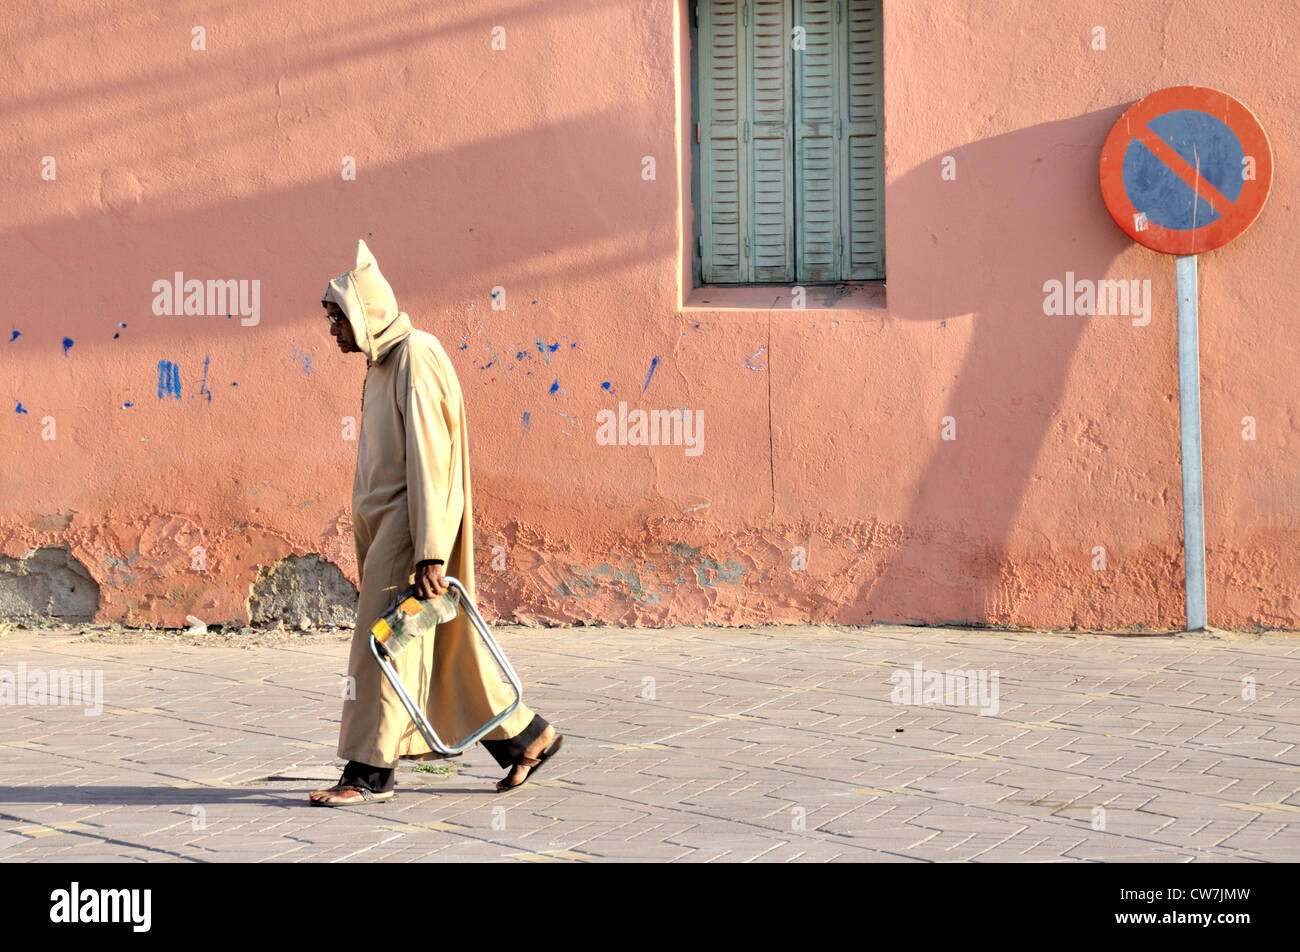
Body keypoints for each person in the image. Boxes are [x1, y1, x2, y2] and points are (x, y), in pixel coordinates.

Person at [309, 239, 562, 806]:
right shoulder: (385, 363)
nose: (332, 331)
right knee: (446, 643)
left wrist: (429, 552)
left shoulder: (415, 357)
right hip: (392, 531)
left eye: (337, 318)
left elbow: (429, 457)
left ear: (364, 314)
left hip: (408, 531)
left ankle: (367, 775)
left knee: (380, 645)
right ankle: (525, 736)